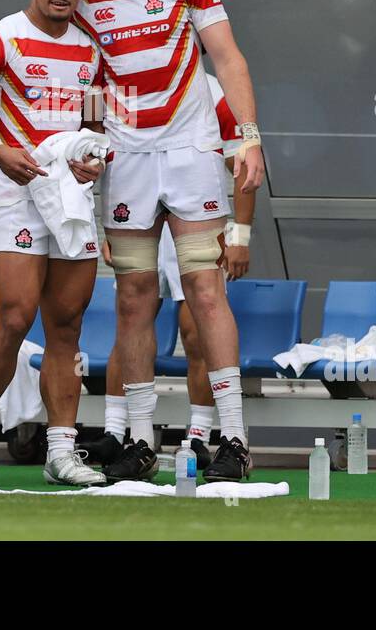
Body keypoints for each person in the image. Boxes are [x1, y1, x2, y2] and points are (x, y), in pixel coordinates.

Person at [0, 0, 265, 482]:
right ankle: (138, 441)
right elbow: (58, 72)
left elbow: (227, 57)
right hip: (123, 162)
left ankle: (234, 439)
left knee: (204, 294)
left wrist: (246, 132)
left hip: (190, 148)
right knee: (131, 299)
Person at [0, 0, 108, 486]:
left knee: (66, 327)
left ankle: (62, 453)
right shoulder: (3, 38)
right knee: (15, 319)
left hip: (70, 201)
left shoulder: (90, 50)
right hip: (18, 193)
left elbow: (96, 125)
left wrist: (94, 160)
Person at [83, 73, 255, 474]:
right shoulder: (108, 82)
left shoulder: (212, 88)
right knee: (130, 311)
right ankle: (124, 434)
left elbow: (241, 158)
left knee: (197, 326)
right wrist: (99, 224)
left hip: (191, 210)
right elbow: (91, 144)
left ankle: (206, 435)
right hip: (138, 214)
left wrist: (241, 235)